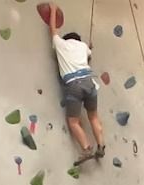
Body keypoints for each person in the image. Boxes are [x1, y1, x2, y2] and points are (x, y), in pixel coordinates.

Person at [47, 3, 105, 163]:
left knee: (73, 121)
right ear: (78, 40)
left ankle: (86, 149)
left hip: (74, 85)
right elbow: (88, 56)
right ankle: (101, 146)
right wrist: (88, 48)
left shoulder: (61, 44)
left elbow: (53, 29)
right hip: (90, 82)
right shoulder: (83, 46)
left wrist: (52, 9)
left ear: (67, 39)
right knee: (93, 117)